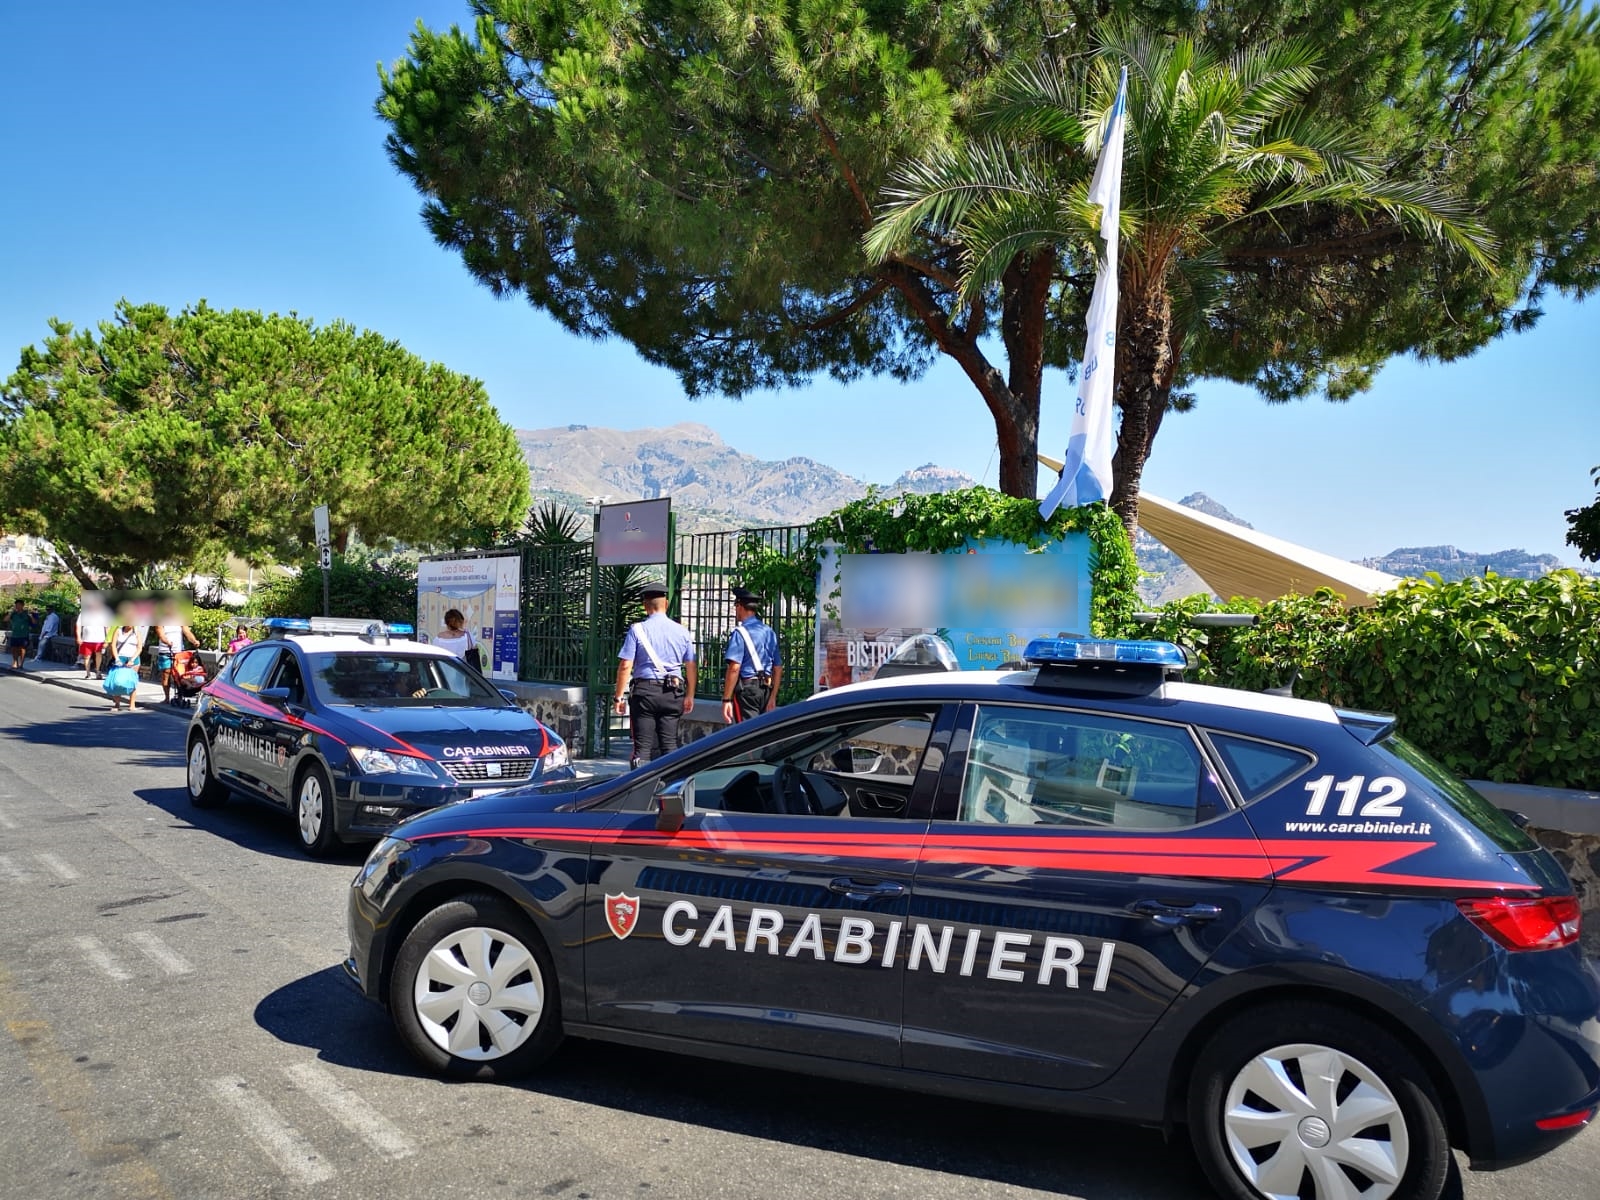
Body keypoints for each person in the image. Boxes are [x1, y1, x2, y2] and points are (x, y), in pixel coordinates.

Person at [614, 579, 697, 767]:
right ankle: (671, 787)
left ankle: (642, 791)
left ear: (645, 606)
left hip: (645, 694)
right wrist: (690, 695)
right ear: (666, 604)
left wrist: (618, 696)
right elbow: (691, 666)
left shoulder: (637, 630)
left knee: (642, 748)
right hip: (673, 693)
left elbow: (626, 665)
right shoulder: (682, 632)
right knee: (669, 745)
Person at [721, 586, 783, 724]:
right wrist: (773, 697)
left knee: (746, 735)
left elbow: (734, 668)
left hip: (747, 691)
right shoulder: (769, 632)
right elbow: (778, 668)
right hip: (765, 690)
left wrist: (727, 699)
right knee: (762, 733)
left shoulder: (740, 633)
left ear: (740, 606)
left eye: (736, 606)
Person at [155, 611, 200, 706]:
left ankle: (180, 696)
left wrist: (194, 641)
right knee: (166, 675)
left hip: (179, 652)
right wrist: (167, 642)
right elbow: (161, 635)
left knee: (180, 676)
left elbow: (187, 632)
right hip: (165, 651)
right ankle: (167, 698)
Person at [103, 622, 143, 711]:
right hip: (120, 657)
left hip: (133, 658)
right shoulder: (118, 631)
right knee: (118, 681)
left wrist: (132, 659)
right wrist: (117, 658)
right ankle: (117, 704)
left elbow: (139, 647)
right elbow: (113, 645)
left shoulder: (136, 633)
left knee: (132, 681)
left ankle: (132, 705)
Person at [75, 596, 110, 678]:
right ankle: (88, 673)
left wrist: (107, 640)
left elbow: (107, 627)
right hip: (87, 639)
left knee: (99, 655)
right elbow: (78, 625)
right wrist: (78, 637)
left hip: (99, 639)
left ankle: (97, 671)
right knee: (86, 657)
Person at [8, 600, 31, 670]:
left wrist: (31, 616)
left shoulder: (26, 614)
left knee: (22, 649)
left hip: (23, 635)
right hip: (14, 634)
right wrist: (11, 612)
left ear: (22, 605)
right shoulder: (13, 614)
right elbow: (5, 619)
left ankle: (21, 664)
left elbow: (34, 622)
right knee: (13, 649)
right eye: (16, 605)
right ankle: (15, 662)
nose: (17, 606)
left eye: (18, 605)